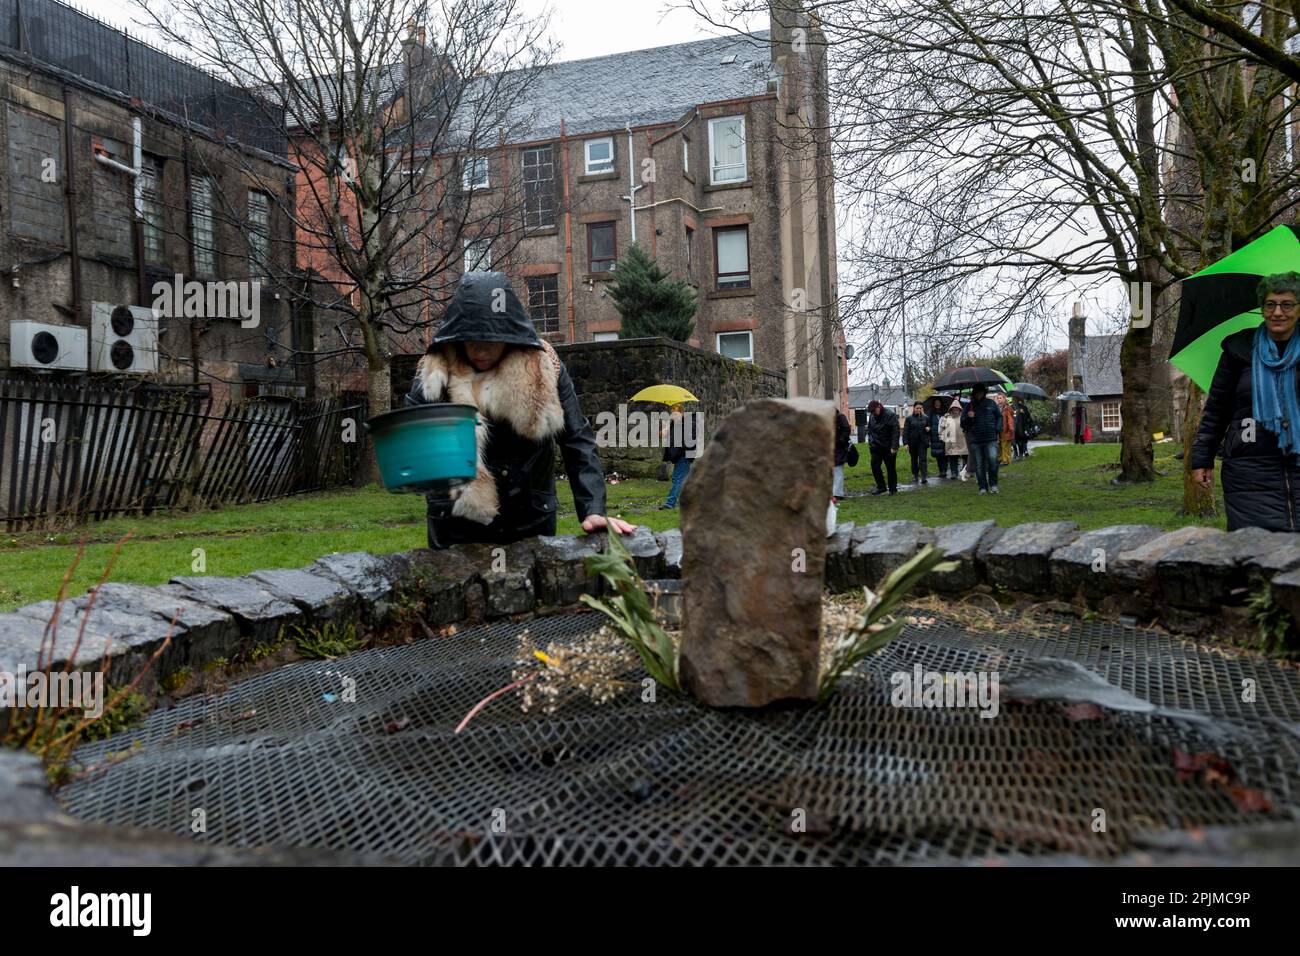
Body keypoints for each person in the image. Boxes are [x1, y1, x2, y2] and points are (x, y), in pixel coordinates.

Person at [405, 271, 635, 548]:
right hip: (456, 522)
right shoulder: (433, 372)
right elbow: (412, 445)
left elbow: (577, 438)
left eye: (490, 340)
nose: (480, 351)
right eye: (471, 340)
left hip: (530, 518)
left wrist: (593, 508)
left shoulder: (545, 365)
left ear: (510, 335)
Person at [1191, 272, 1300, 531]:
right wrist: (1201, 458)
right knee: (1257, 552)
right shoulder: (1239, 349)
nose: (1277, 312)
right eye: (1270, 304)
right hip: (1249, 470)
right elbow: (1217, 409)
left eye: (1287, 304)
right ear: (1261, 308)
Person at [961, 383, 1003, 494]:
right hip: (975, 440)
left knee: (993, 460)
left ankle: (993, 484)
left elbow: (999, 416)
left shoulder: (991, 403)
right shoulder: (969, 406)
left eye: (980, 392)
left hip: (991, 438)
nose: (978, 394)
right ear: (973, 393)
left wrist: (997, 429)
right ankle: (982, 487)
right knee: (979, 465)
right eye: (976, 392)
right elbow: (963, 423)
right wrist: (969, 418)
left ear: (984, 392)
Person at [659, 403, 692, 510]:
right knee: (684, 480)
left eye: (677, 413)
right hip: (678, 456)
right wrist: (664, 431)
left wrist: (678, 453)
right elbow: (666, 436)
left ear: (682, 413)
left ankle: (670, 504)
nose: (674, 416)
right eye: (673, 414)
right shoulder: (673, 424)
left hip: (683, 455)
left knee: (677, 478)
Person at [866, 399, 900, 495]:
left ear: (879, 407)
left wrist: (894, 446)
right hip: (876, 447)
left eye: (874, 411)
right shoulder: (872, 416)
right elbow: (870, 430)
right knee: (875, 466)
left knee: (890, 468)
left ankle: (893, 489)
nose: (873, 413)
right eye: (871, 412)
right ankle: (881, 487)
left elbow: (895, 432)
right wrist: (870, 442)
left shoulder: (890, 415)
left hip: (888, 447)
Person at [939, 398, 968, 480]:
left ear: (959, 408)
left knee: (965, 456)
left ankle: (967, 471)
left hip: (963, 440)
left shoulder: (963, 416)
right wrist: (941, 435)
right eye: (954, 408)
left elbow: (968, 426)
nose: (955, 409)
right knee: (953, 457)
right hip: (951, 441)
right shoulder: (946, 417)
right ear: (951, 408)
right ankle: (954, 473)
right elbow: (942, 428)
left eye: (957, 408)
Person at [903, 401, 930, 485]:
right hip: (912, 442)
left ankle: (924, 476)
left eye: (920, 408)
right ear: (914, 408)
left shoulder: (926, 417)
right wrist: (905, 443)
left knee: (923, 460)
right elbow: (905, 432)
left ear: (922, 409)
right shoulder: (909, 418)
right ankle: (915, 475)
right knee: (914, 460)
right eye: (917, 408)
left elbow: (929, 427)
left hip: (922, 442)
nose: (919, 409)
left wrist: (928, 428)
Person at [832, 408, 853, 504]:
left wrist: (840, 441)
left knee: (838, 470)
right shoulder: (838, 418)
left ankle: (838, 493)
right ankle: (836, 492)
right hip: (835, 448)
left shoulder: (839, 418)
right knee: (836, 471)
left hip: (838, 448)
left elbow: (846, 430)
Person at [927, 395, 948, 478]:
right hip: (935, 436)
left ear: (941, 403)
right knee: (938, 455)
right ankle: (940, 471)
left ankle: (944, 471)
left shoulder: (945, 412)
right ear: (934, 404)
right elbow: (928, 423)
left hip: (944, 436)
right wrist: (930, 429)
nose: (937, 404)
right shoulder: (931, 413)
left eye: (938, 403)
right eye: (936, 403)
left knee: (944, 454)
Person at [994, 391, 1014, 466]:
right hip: (999, 429)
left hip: (1006, 429)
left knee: (1005, 445)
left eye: (1000, 398)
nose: (999, 400)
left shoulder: (1007, 408)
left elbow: (1010, 419)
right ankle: (1001, 458)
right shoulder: (997, 408)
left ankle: (1006, 459)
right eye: (998, 398)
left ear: (1004, 399)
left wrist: (1011, 428)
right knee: (1000, 445)